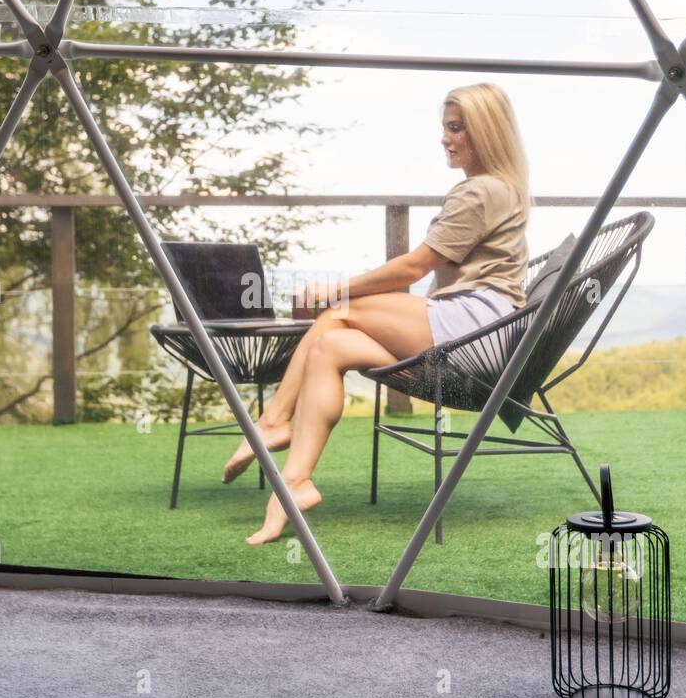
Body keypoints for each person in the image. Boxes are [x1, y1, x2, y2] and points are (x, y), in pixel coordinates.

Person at [225, 82, 533, 545]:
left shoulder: (479, 191)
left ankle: (273, 424)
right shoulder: (499, 188)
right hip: (480, 328)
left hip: (475, 328)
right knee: (329, 342)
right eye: (444, 128)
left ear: (484, 132)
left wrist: (334, 291)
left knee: (336, 310)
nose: (445, 139)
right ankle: (295, 482)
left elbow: (413, 266)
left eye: (456, 129)